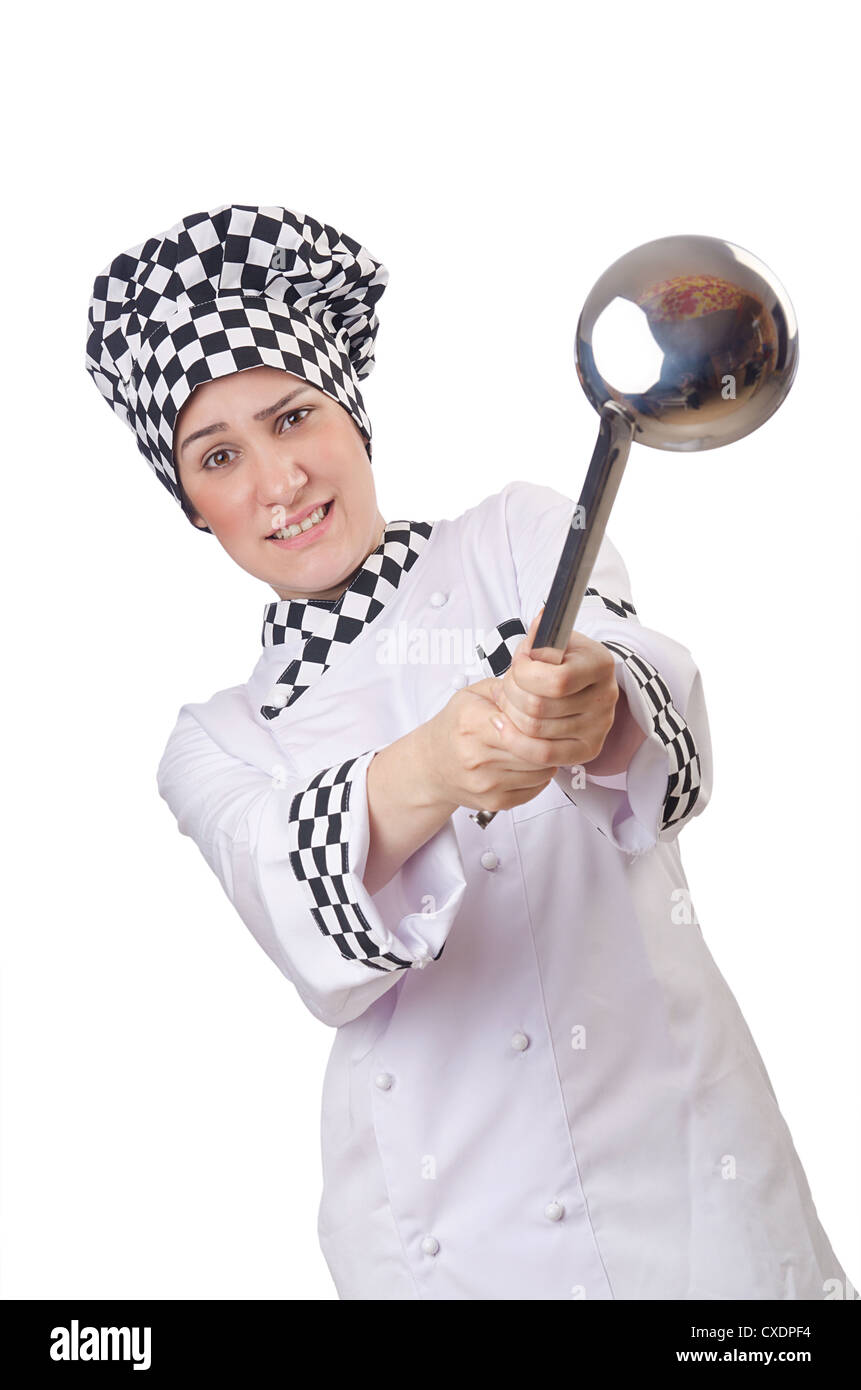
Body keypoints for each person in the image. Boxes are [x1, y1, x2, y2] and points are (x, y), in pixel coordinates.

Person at [86, 203, 855, 1302]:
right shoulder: (215, 741)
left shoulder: (517, 541)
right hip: (443, 1239)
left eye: (294, 417)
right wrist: (436, 767)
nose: (279, 480)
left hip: (690, 1178)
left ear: (351, 415)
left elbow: (652, 704)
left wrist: (600, 706)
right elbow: (301, 917)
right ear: (197, 508)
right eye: (220, 456)